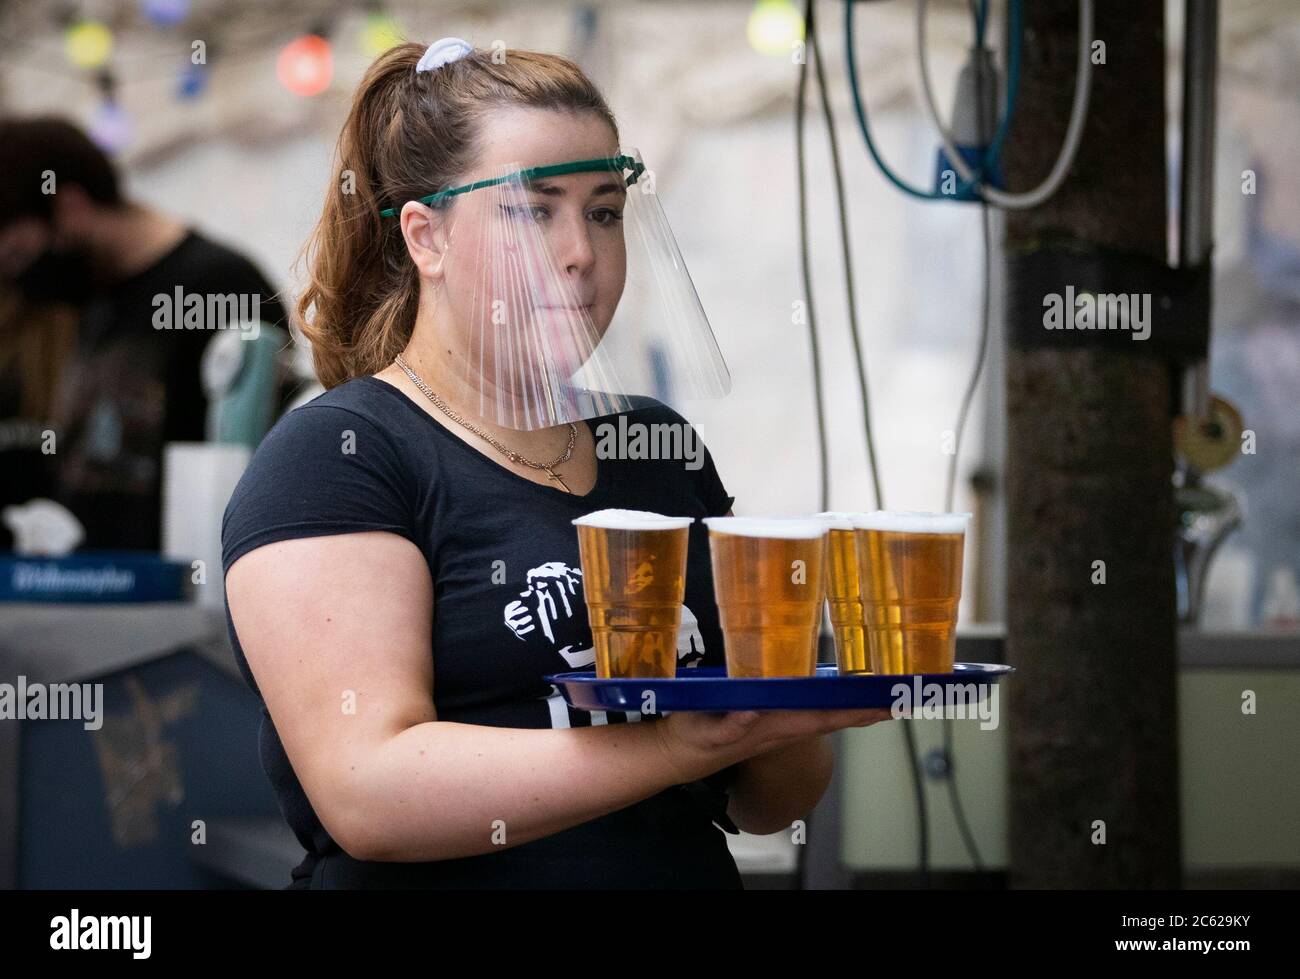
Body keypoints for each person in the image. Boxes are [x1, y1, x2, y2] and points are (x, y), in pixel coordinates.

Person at [221, 39, 891, 890]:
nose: (580, 251)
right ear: (426, 237)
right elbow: (371, 792)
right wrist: (668, 745)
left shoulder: (659, 447)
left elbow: (766, 805)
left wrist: (792, 709)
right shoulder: (339, 455)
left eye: (605, 211)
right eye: (535, 210)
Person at [0, 116, 290, 550]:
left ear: (71, 205)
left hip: (181, 593)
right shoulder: (97, 297)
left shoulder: (220, 283)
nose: (20, 279)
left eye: (19, 254)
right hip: (96, 585)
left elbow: (262, 455)